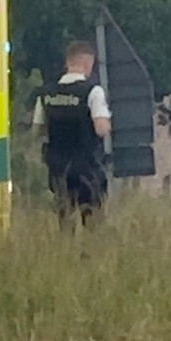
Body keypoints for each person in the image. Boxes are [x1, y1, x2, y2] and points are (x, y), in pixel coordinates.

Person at [31, 41, 112, 228]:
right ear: (88, 64)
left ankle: (65, 253)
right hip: (87, 168)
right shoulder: (93, 91)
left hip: (58, 169)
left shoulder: (46, 94)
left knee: (64, 220)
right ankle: (90, 255)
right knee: (93, 222)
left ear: (67, 63)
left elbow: (37, 131)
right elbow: (100, 128)